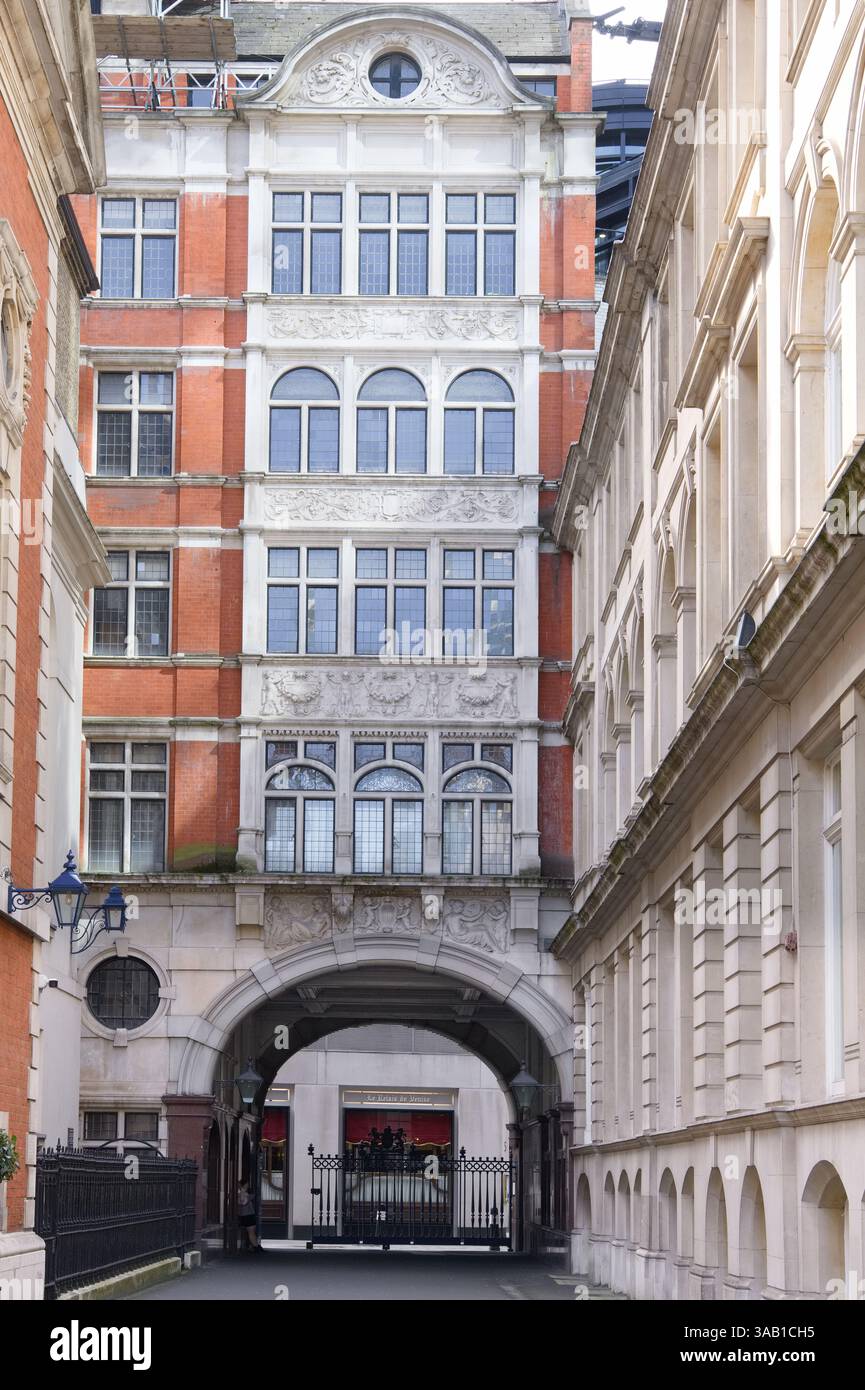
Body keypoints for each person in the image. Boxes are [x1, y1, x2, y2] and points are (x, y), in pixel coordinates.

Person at [237, 1181, 261, 1252]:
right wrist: (242, 1191)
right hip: (247, 1215)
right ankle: (256, 1247)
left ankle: (255, 1246)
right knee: (251, 1231)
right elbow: (243, 1202)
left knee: (251, 1231)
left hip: (247, 1214)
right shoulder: (243, 1194)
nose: (247, 1186)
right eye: (245, 1185)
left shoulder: (243, 1194)